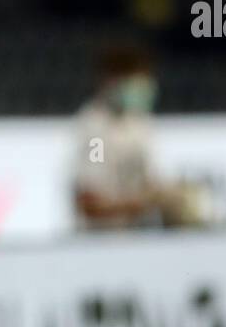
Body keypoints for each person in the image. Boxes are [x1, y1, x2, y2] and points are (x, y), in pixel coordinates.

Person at [72, 43, 185, 229]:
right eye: (134, 85)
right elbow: (89, 203)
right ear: (111, 82)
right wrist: (144, 203)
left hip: (138, 237)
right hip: (100, 243)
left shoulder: (138, 124)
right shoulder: (95, 132)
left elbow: (150, 182)